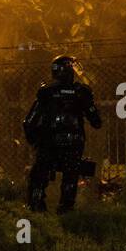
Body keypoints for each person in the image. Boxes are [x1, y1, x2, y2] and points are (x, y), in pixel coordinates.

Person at [23, 55, 102, 212]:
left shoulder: (47, 92)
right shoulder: (81, 92)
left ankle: (36, 204)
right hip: (73, 141)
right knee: (70, 175)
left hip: (48, 141)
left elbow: (29, 122)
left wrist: (34, 141)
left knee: (39, 173)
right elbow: (96, 122)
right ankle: (66, 208)